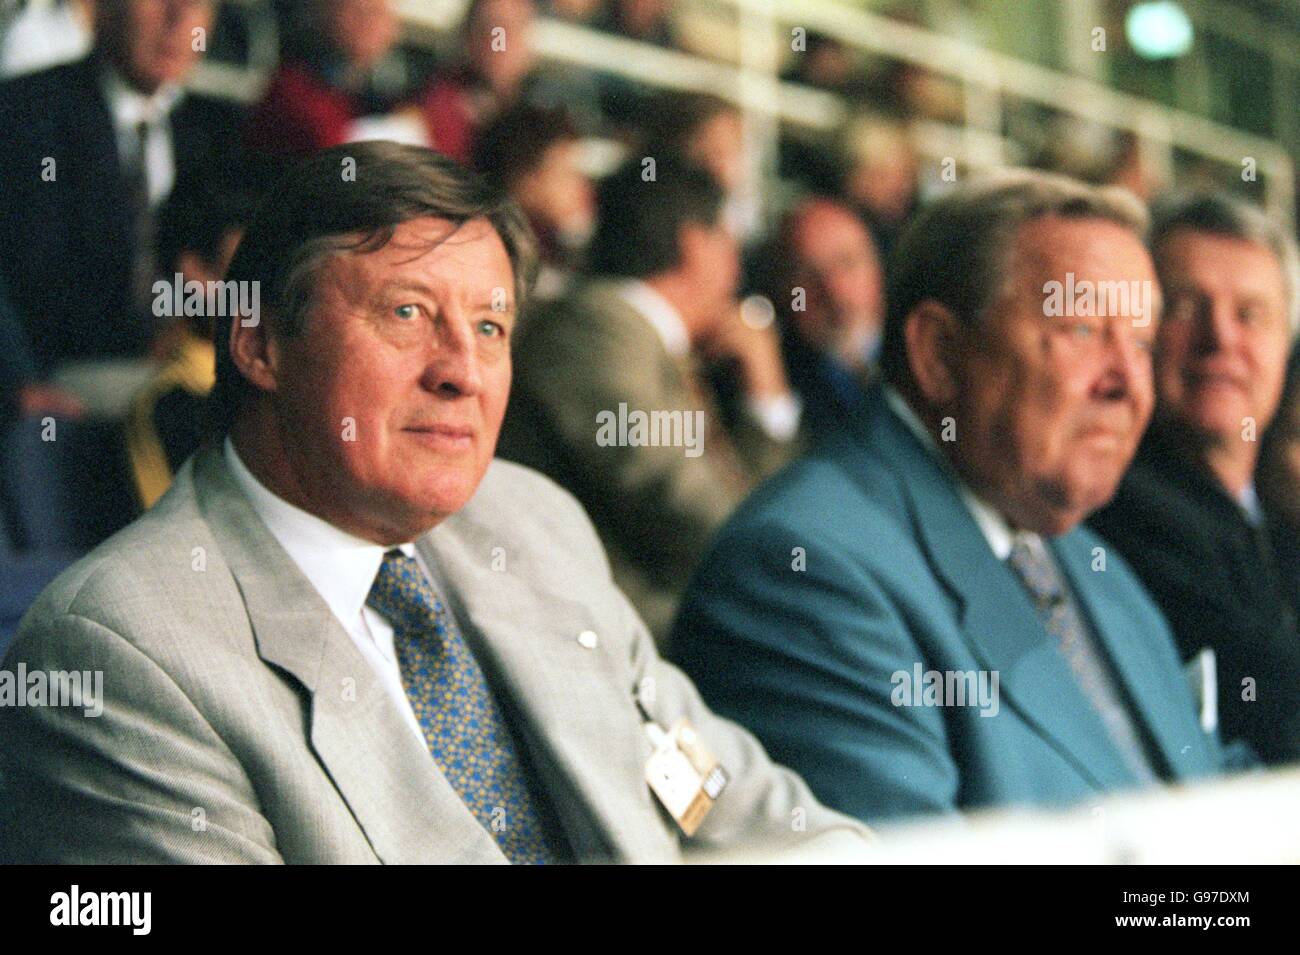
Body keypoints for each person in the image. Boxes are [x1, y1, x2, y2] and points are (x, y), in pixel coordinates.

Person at [0, 142, 870, 864]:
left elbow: (731, 802)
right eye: (408, 312)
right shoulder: (123, 656)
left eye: (491, 327)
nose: (461, 370)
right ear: (261, 344)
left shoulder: (531, 522)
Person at [670, 170, 1221, 824]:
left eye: (1141, 342)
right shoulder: (803, 572)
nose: (1129, 382)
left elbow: (1216, 783)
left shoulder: (1091, 562)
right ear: (938, 354)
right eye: (1080, 329)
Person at [498, 157, 802, 645]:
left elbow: (761, 496)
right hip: (623, 633)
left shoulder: (663, 346)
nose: (738, 266)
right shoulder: (595, 328)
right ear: (695, 245)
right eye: (729, 240)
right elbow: (671, 495)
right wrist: (796, 568)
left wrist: (767, 395)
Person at [1089, 193, 1300, 765]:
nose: (1220, 340)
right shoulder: (1112, 508)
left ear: (1288, 346)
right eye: (1184, 307)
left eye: (1250, 315)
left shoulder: (1277, 521)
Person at [0, 0, 239, 384]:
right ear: (102, 9)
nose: (179, 20)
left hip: (182, 374)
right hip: (57, 381)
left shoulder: (220, 131)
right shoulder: (24, 116)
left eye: (197, 4)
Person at [758, 197, 885, 440]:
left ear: (877, 269)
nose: (833, 290)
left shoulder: (923, 354)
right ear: (783, 290)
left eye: (847, 263)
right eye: (808, 274)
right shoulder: (779, 380)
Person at [471, 102, 594, 302]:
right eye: (566, 174)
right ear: (524, 179)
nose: (582, 186)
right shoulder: (498, 261)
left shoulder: (540, 245)